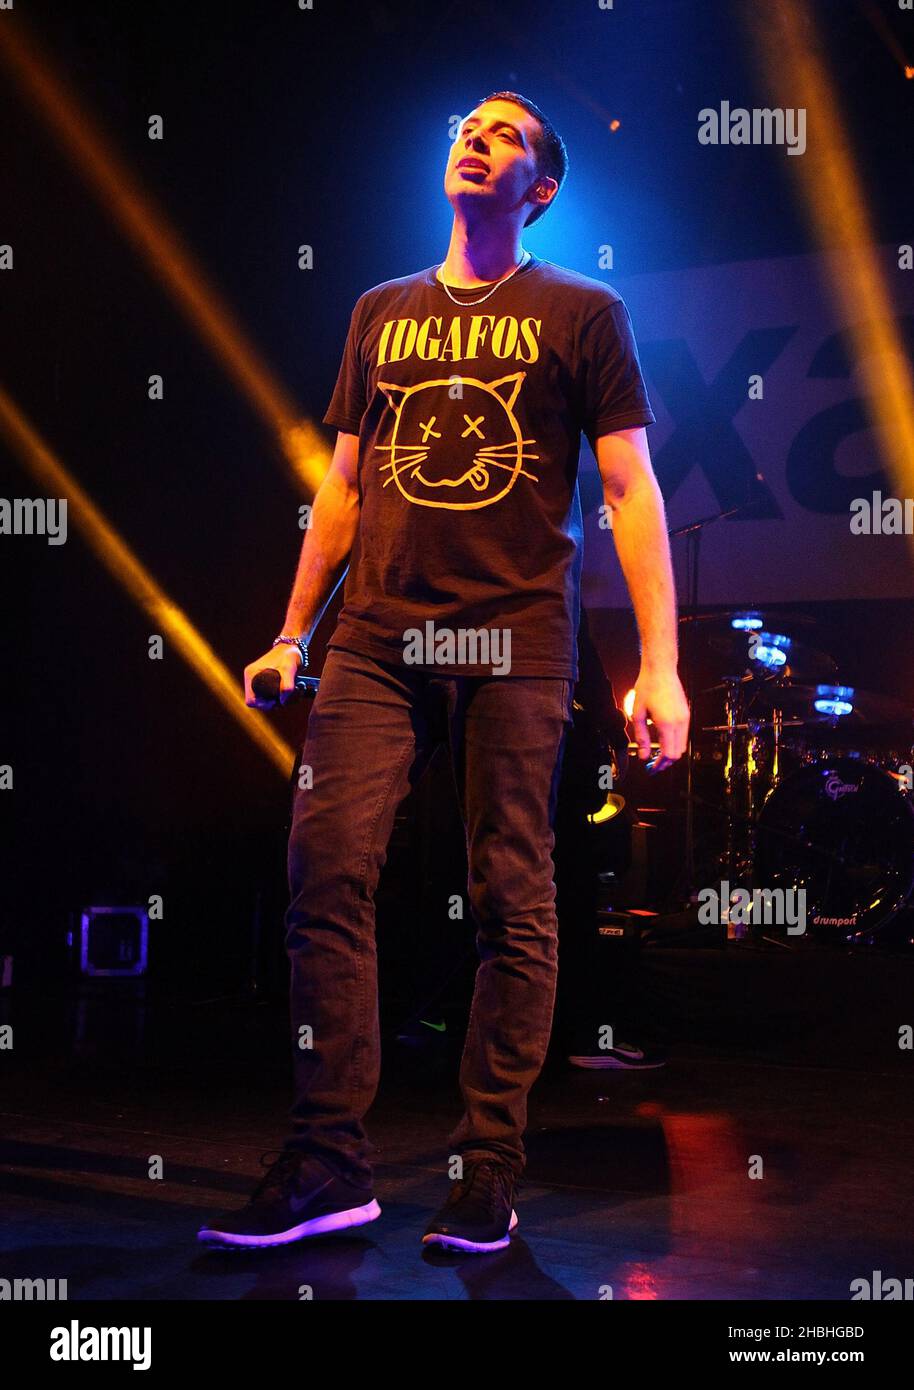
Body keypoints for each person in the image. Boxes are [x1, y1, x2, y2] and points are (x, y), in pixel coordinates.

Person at [197, 90, 688, 1255]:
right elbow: (345, 488)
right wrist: (289, 631)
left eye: (505, 134)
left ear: (542, 188)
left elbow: (628, 490)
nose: (476, 138)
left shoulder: (582, 310)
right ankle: (328, 1160)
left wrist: (659, 665)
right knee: (323, 870)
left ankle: (484, 1167)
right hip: (375, 636)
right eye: (467, 126)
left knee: (510, 891)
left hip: (517, 635)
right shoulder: (380, 311)